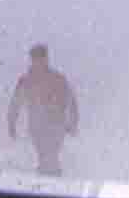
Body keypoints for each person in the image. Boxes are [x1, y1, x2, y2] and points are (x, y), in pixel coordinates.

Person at [6, 43, 77, 176]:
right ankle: (49, 178)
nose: (39, 62)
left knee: (51, 154)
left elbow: (71, 101)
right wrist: (11, 124)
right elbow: (15, 103)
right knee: (44, 154)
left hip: (56, 124)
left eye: (41, 58)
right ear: (32, 60)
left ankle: (50, 178)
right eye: (36, 59)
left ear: (46, 59)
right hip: (37, 125)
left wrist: (72, 122)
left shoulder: (58, 79)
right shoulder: (26, 81)